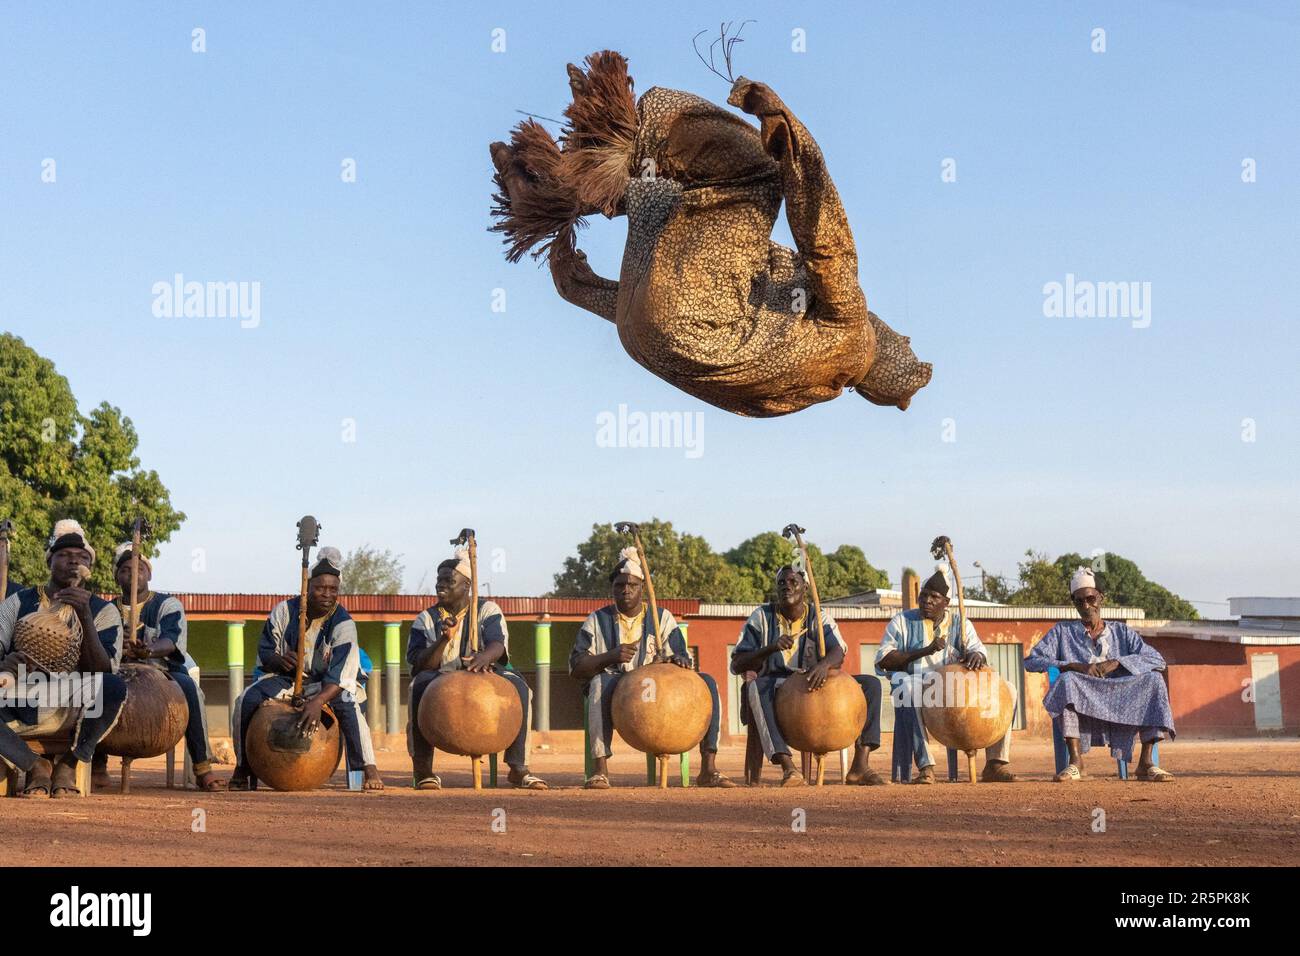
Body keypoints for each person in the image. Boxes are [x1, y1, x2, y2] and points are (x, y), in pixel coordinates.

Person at [489, 51, 932, 418]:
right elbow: (690, 335)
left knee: (757, 173)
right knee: (676, 196)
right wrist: (581, 289)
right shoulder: (797, 391)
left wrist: (788, 134)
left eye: (907, 347)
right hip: (645, 335)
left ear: (892, 352)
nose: (905, 337)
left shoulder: (853, 331)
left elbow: (828, 248)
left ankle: (610, 128)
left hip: (689, 314)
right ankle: (551, 193)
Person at [570, 548, 735, 789]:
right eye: (619, 585)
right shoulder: (597, 620)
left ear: (642, 589)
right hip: (616, 688)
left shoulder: (661, 618)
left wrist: (679, 660)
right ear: (612, 588)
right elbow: (577, 667)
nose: (625, 590)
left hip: (657, 690)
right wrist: (610, 656)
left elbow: (681, 654)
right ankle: (600, 770)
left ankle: (708, 768)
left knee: (709, 682)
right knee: (597, 684)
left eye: (632, 585)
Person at [228, 547, 382, 791]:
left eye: (333, 589)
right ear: (308, 588)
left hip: (328, 685)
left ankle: (367, 768)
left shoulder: (343, 623)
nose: (327, 594)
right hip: (286, 680)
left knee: (348, 701)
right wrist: (278, 661)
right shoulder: (284, 611)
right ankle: (243, 767)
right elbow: (265, 653)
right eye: (320, 588)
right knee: (246, 699)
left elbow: (341, 676)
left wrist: (317, 703)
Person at [0, 519, 127, 797]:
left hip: (73, 704)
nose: (73, 561)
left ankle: (70, 763)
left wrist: (84, 615)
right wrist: (6, 664)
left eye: (81, 557)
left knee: (113, 686)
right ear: (49, 562)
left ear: (88, 568)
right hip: (19, 700)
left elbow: (103, 668)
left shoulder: (103, 610)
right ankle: (35, 766)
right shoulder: (18, 602)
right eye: (64, 555)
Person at [406, 549, 547, 790]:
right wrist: (443, 640)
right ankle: (423, 771)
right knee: (417, 686)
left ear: (466, 586)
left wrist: (483, 657)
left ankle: (518, 768)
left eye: (449, 581)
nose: (441, 586)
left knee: (521, 688)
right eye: (439, 580)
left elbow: (497, 645)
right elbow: (420, 663)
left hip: (484, 674)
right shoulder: (426, 619)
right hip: (440, 676)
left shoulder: (487, 610)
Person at [731, 565, 883, 786]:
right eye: (782, 583)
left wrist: (823, 666)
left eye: (793, 582)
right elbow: (737, 664)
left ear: (804, 588)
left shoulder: (818, 616)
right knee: (756, 687)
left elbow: (838, 650)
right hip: (777, 685)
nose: (787, 587)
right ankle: (788, 768)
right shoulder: (761, 617)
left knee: (871, 685)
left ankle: (860, 765)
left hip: (814, 682)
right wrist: (770, 648)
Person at [94, 542, 225, 791]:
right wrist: (120, 648)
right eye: (124, 570)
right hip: (116, 669)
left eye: (139, 569)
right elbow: (99, 644)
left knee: (190, 688)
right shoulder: (107, 609)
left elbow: (171, 641)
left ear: (150, 574)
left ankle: (202, 767)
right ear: (116, 576)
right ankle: (97, 765)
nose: (132, 574)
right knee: (91, 686)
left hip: (162, 669)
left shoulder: (167, 604)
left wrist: (148, 650)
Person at [1025, 568, 1175, 782]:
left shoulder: (1121, 632)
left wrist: (1117, 662)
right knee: (1066, 681)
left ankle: (1146, 762)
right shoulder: (1062, 632)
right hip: (1083, 700)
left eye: (1090, 598)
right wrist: (1074, 666)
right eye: (1079, 601)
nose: (1086, 606)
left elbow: (1157, 659)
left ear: (1101, 598)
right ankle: (1076, 762)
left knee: (1154, 679)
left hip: (1122, 700)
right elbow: (1032, 661)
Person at [876, 569, 1016, 783]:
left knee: (1009, 689)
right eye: (924, 595)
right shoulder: (902, 621)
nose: (927, 601)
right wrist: (925, 650)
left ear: (946, 602)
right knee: (907, 687)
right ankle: (926, 766)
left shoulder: (960, 622)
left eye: (934, 597)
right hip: (918, 683)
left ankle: (995, 764)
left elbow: (979, 650)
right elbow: (884, 659)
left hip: (953, 689)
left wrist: (976, 655)